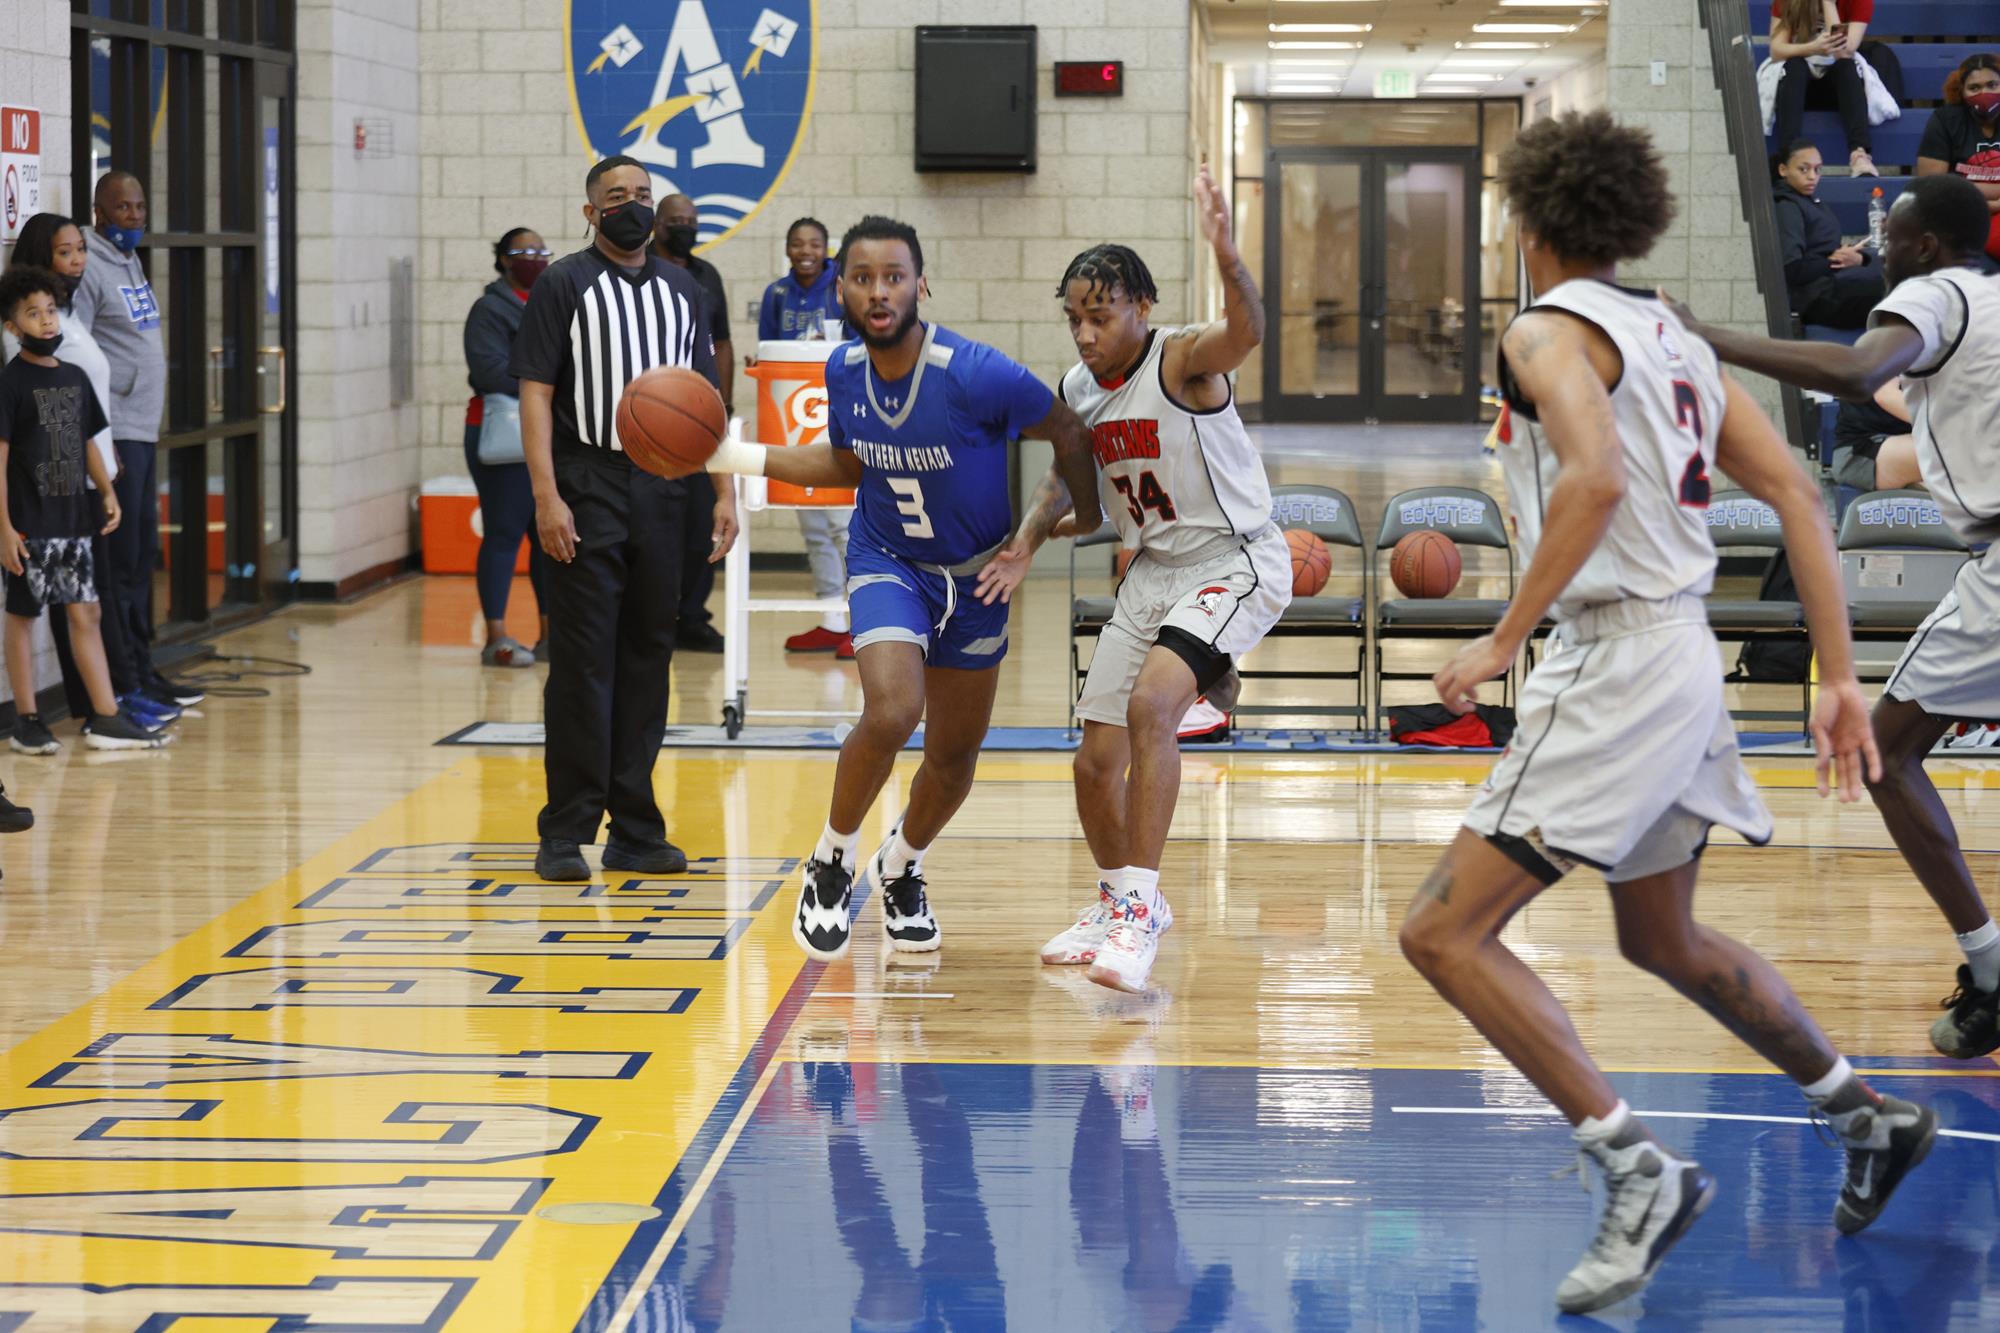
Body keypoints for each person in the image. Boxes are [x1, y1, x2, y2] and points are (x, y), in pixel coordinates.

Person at [1399, 111, 1931, 1316]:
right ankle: (1865, 1114)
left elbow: (1590, 478)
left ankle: (1632, 1166)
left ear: (1523, 223)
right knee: (1660, 937)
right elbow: (1798, 489)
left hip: (1615, 662)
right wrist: (1838, 676)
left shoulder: (1540, 329)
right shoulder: (1670, 336)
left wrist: (1499, 634)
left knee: (1440, 933)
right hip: (1680, 654)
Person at [1663, 172, 2000, 1061]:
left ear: (1926, 244)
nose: (1880, 243)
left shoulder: (1933, 293)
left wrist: (1709, 338)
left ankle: (1993, 967)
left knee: (1884, 754)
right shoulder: (1989, 302)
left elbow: (1857, 367)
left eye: (1892, 232)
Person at [703, 216, 1103, 962]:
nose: (878, 291)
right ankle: (831, 857)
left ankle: (903, 865)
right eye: (861, 278)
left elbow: (1072, 431)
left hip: (976, 574)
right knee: (892, 709)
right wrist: (741, 453)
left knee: (954, 758)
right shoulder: (843, 370)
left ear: (921, 285)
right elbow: (849, 468)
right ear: (842, 292)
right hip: (888, 558)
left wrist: (1037, 539)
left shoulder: (976, 372)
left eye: (893, 276)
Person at [993, 167, 1290, 995]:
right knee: (1093, 762)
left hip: (1234, 558)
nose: (1085, 333)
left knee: (1153, 707)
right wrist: (1024, 544)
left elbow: (1248, 330)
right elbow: (1063, 477)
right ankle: (1121, 900)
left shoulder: (1186, 358)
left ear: (1143, 309)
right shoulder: (1081, 389)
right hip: (1153, 570)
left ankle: (1140, 914)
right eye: (1076, 318)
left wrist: (1229, 255)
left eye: (1102, 314)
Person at [512, 155, 739, 883]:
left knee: (650, 655)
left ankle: (636, 827)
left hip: (665, 486)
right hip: (587, 480)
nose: (634, 206)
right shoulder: (563, 284)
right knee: (582, 661)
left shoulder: (684, 289)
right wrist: (546, 495)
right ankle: (565, 827)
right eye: (618, 197)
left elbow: (704, 400)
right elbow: (536, 393)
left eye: (643, 194)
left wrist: (726, 491)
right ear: (591, 212)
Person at [3, 213, 176, 734]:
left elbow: (83, 433)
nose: (47, 321)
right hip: (33, 513)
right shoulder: (12, 378)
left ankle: (106, 714)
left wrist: (106, 487)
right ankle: (29, 718)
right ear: (14, 326)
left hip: (77, 508)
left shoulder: (73, 367)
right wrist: (6, 525)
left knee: (88, 609)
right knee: (27, 616)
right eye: (35, 315)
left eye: (50, 312)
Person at [71, 171, 202, 712]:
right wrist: (101, 439)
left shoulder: (130, 260)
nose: (134, 216)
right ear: (100, 212)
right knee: (121, 562)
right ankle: (124, 681)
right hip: (117, 435)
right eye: (122, 208)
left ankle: (144, 667)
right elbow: (74, 351)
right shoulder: (90, 267)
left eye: (140, 206)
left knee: (145, 554)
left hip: (143, 429)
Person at [757, 217, 854, 657]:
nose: (806, 251)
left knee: (843, 525)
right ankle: (832, 619)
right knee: (811, 523)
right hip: (793, 413)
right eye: (797, 243)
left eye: (814, 243)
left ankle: (862, 620)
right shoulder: (776, 294)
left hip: (835, 412)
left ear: (826, 247)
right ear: (788, 248)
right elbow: (768, 352)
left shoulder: (844, 285)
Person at [463, 227, 550, 668]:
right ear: (503, 260)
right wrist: (547, 382)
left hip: (552, 435)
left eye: (541, 251)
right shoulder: (488, 309)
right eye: (523, 252)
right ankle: (496, 637)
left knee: (549, 536)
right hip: (503, 437)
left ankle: (551, 634)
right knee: (504, 533)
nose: (534, 258)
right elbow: (488, 372)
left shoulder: (553, 305)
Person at [652, 194, 734, 655]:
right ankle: (656, 616)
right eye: (674, 221)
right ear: (657, 225)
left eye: (690, 221)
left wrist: (722, 401)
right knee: (658, 521)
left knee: (704, 517)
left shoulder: (707, 276)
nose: (683, 227)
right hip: (651, 416)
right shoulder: (640, 272)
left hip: (699, 417)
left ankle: (693, 616)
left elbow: (721, 341)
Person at [1773, 139, 1884, 327]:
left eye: (1817, 170)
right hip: (1819, 300)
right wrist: (1835, 260)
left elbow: (1821, 251)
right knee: (1896, 293)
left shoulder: (1809, 201)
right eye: (1803, 169)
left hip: (1832, 285)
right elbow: (1791, 270)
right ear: (1783, 170)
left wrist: (1850, 257)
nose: (1812, 177)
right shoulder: (1787, 206)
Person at [1770, 0, 1879, 177]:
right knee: (1795, 66)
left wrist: (1828, 3)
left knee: (1846, 66)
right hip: (1798, 87)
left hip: (1837, 89)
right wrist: (1811, 48)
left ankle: (1859, 155)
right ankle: (1789, 157)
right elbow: (1776, 50)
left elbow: (1844, 51)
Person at [1914, 54, 2000, 261]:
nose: (1984, 93)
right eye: (1974, 88)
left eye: (1992, 85)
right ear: (1961, 91)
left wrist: (1964, 186)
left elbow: (1949, 185)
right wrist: (1993, 202)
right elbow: (1932, 188)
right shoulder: (1946, 120)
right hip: (1959, 212)